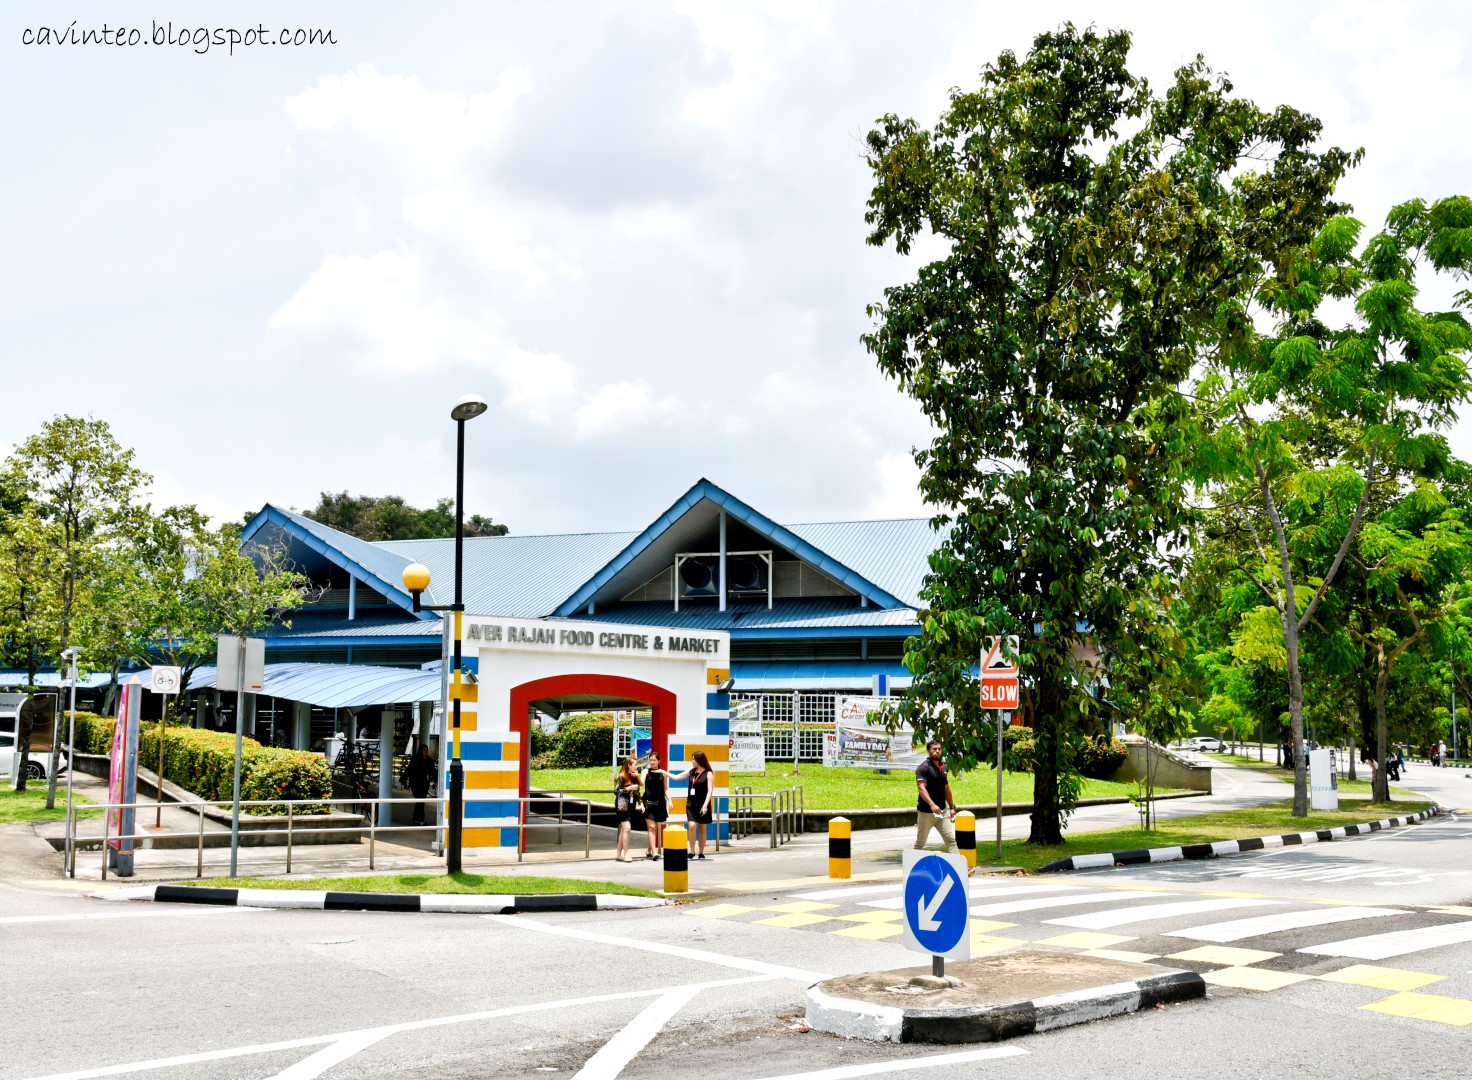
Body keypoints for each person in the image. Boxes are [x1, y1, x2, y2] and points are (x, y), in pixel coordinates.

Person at [914, 739, 961, 857]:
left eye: (939, 749)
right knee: (920, 843)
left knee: (951, 840)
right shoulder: (923, 768)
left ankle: (959, 868)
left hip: (942, 812)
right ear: (929, 751)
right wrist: (932, 804)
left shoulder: (943, 768)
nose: (937, 751)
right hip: (926, 813)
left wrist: (951, 807)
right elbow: (921, 788)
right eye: (934, 749)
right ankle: (913, 869)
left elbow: (947, 789)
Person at [670, 751, 714, 859]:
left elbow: (710, 791)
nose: (692, 761)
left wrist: (705, 806)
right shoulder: (691, 772)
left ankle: (701, 852)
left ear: (699, 760)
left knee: (702, 829)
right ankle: (692, 851)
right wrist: (663, 772)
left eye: (693, 759)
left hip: (703, 805)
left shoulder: (708, 773)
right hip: (691, 805)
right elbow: (677, 777)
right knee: (692, 826)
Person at [640, 750, 670, 860]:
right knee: (652, 827)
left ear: (659, 761)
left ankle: (648, 850)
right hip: (648, 802)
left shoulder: (663, 773)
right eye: (650, 760)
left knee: (655, 827)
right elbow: (642, 782)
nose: (652, 762)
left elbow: (665, 789)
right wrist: (635, 778)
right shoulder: (646, 771)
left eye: (654, 760)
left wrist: (670, 800)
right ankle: (654, 851)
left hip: (660, 803)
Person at [614, 755, 641, 862]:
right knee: (627, 828)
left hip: (631, 804)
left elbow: (637, 792)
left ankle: (618, 854)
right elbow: (616, 791)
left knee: (623, 830)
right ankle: (626, 854)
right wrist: (629, 788)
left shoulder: (634, 776)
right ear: (628, 765)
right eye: (634, 765)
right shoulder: (620, 776)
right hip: (622, 805)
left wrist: (641, 803)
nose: (636, 767)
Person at [404, 743, 436, 826]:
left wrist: (435, 781)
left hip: (424, 783)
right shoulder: (415, 759)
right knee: (420, 800)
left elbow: (433, 771)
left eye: (427, 750)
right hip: (415, 783)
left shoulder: (429, 760)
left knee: (420, 801)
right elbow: (409, 770)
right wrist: (403, 779)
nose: (426, 751)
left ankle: (417, 819)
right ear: (420, 750)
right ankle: (420, 820)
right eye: (424, 750)